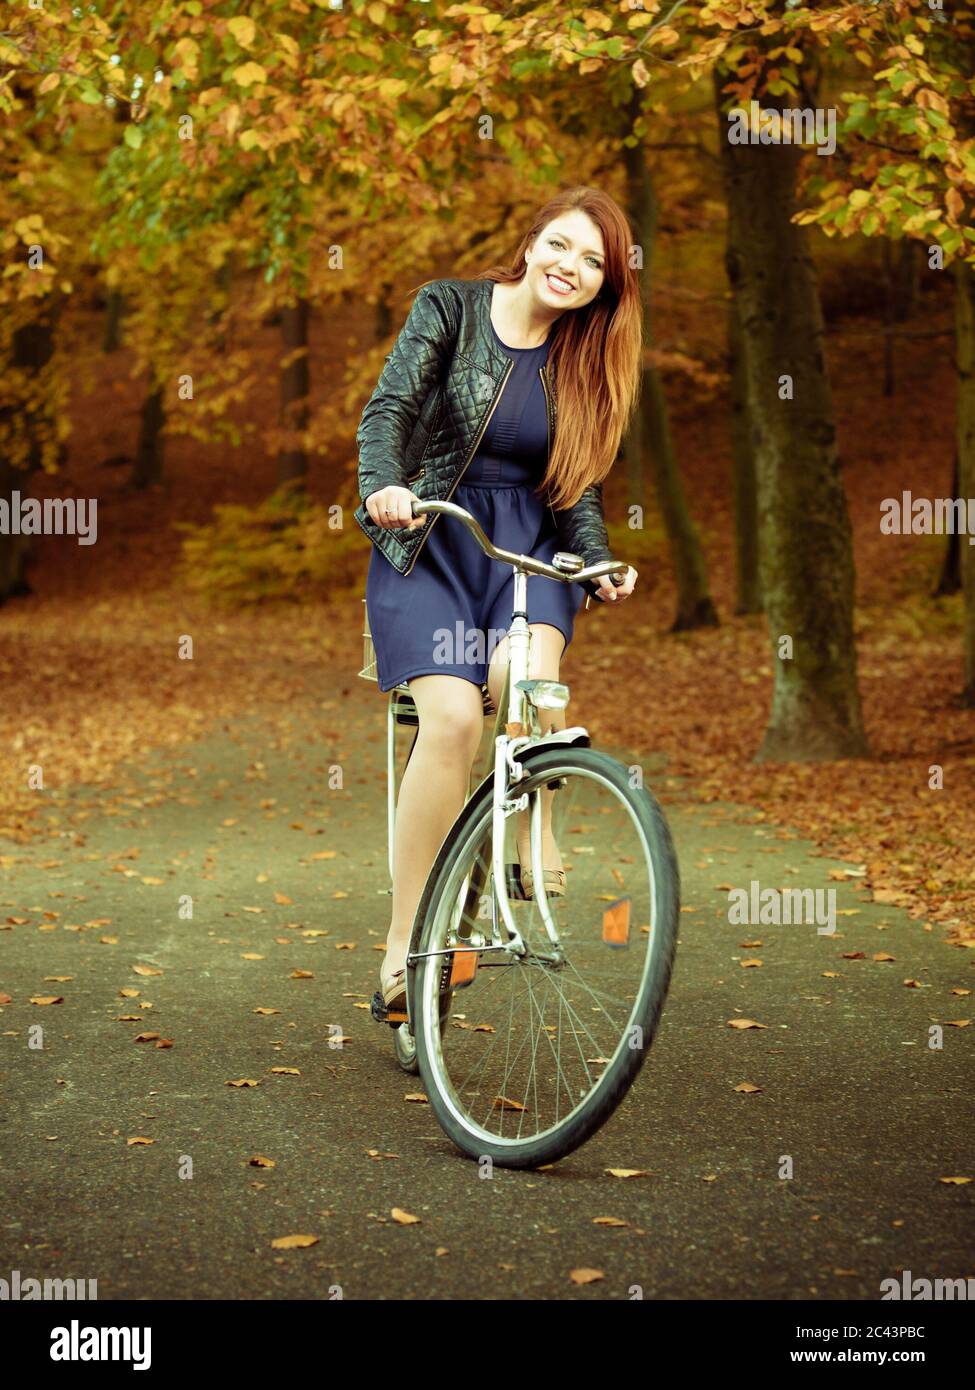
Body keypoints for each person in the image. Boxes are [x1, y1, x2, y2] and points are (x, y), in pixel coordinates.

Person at [353, 186, 644, 1016]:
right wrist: (384, 485)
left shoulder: (586, 359)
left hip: (529, 554)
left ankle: (536, 824)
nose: (571, 267)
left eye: (594, 262)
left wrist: (595, 561)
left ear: (606, 284)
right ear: (531, 242)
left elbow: (577, 487)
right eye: (562, 245)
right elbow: (390, 409)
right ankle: (408, 940)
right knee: (450, 721)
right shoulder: (447, 307)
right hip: (432, 534)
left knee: (529, 680)